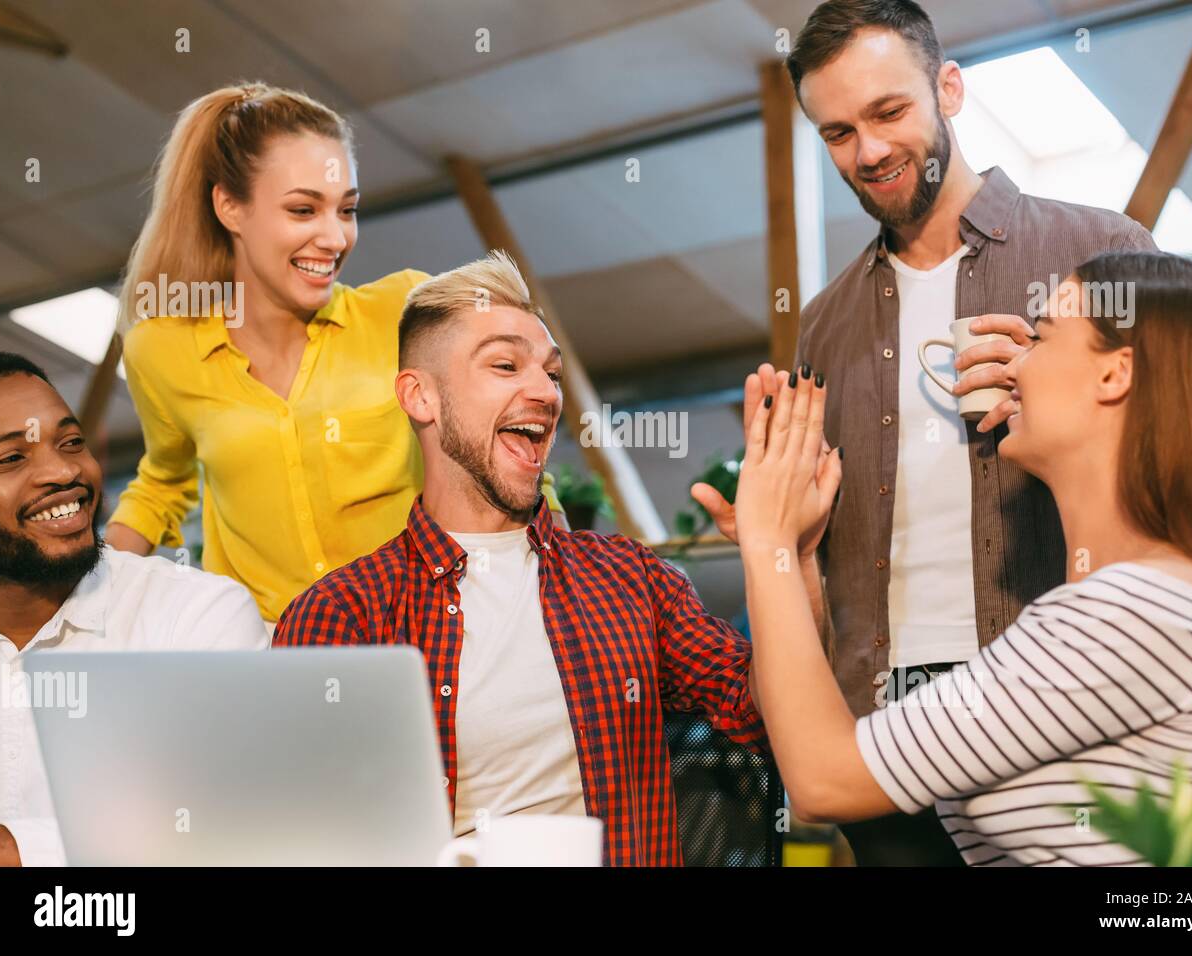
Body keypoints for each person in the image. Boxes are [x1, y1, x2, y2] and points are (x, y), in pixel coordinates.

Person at [697, 0, 1159, 864]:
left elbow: (1188, 463)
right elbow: (829, 551)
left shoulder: (1100, 249)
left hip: (1058, 717)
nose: (867, 151)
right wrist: (782, 536)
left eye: (888, 112)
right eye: (837, 133)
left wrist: (1052, 393)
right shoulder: (827, 323)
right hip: (883, 741)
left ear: (948, 88)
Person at [275, 253, 832, 865]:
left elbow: (772, 718)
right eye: (506, 365)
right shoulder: (340, 615)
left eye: (552, 373)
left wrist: (791, 552)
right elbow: (304, 839)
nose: (543, 392)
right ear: (420, 397)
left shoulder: (631, 578)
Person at [735, 253, 1192, 866]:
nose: (1013, 363)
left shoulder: (1128, 614)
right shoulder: (1146, 602)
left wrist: (766, 535)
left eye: (1040, 336)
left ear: (1114, 375)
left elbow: (823, 778)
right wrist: (801, 555)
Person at [101, 82, 563, 629]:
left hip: (423, 631)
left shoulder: (404, 310)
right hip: (271, 649)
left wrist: (567, 579)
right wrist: (94, 599)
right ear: (229, 206)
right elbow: (162, 482)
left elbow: (501, 444)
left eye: (347, 210)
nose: (334, 237)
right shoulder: (162, 348)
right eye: (303, 210)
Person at [0, 352, 267, 867]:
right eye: (10, 459)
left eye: (71, 442)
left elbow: (225, 818)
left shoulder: (194, 615)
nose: (64, 471)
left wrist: (6, 850)